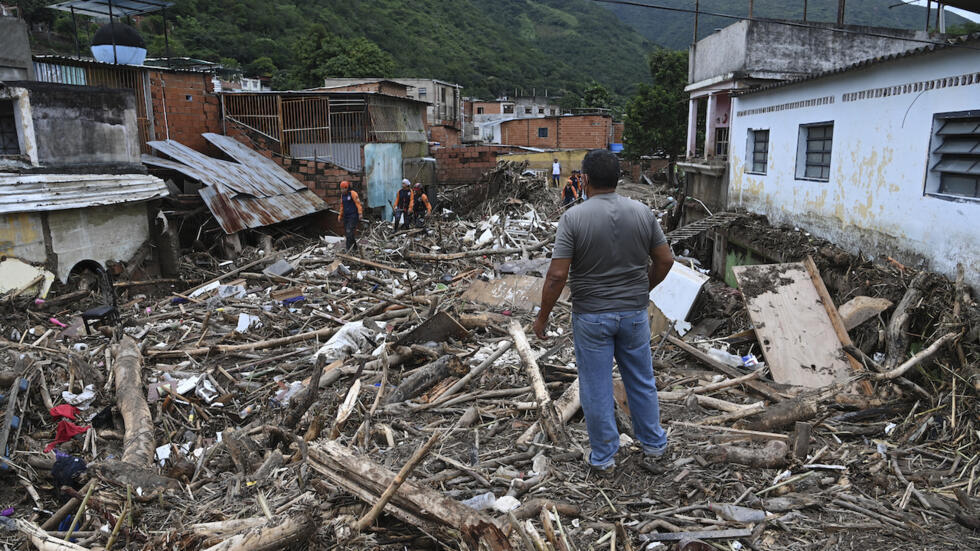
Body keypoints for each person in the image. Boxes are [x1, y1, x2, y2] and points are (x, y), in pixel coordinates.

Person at [533, 149, 674, 476]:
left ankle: (604, 459)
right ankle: (654, 448)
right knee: (641, 380)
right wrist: (643, 289)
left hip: (592, 316)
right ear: (618, 179)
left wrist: (542, 318)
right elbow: (665, 260)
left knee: (595, 386)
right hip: (634, 314)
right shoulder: (642, 213)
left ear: (583, 180)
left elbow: (556, 276)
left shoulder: (573, 218)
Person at [337, 180, 363, 251]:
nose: (342, 190)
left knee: (349, 231)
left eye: (344, 188)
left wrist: (360, 213)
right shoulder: (343, 196)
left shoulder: (353, 193)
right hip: (346, 216)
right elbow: (342, 206)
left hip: (353, 216)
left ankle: (348, 249)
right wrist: (340, 215)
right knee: (348, 233)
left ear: (347, 188)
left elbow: (358, 204)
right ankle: (354, 247)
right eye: (341, 189)